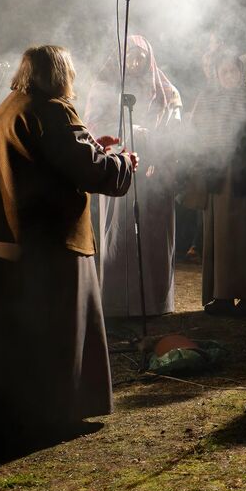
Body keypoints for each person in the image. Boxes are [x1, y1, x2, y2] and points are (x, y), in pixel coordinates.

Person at [0, 45, 136, 435]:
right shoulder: (52, 108)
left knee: (17, 330)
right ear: (61, 73)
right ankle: (58, 411)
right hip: (48, 239)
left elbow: (53, 156)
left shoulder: (11, 104)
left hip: (8, 234)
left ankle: (14, 411)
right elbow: (88, 171)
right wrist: (122, 163)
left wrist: (94, 145)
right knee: (58, 328)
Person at [86, 35, 181, 318]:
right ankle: (118, 303)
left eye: (140, 56)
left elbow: (175, 131)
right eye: (129, 55)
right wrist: (126, 136)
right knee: (120, 233)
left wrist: (150, 141)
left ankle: (153, 304)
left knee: (152, 235)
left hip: (154, 172)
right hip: (118, 169)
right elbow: (93, 128)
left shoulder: (167, 91)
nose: (135, 62)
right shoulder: (104, 87)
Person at [190, 52, 246, 315]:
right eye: (224, 72)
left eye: (233, 72)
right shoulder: (209, 97)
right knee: (219, 235)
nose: (229, 77)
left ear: (241, 72)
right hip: (218, 173)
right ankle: (221, 295)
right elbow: (196, 130)